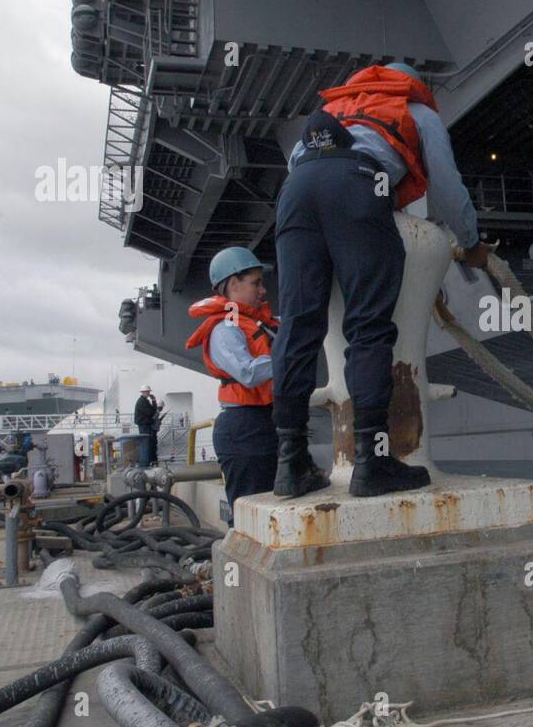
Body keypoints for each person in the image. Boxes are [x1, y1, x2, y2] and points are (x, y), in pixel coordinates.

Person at [270, 63, 492, 499]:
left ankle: (290, 464)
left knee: (297, 325)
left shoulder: (334, 112)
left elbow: (304, 171)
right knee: (368, 326)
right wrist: (470, 240)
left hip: (295, 192)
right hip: (359, 184)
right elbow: (446, 186)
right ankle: (372, 462)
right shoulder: (415, 110)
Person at [185, 246, 295, 520]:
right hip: (243, 430)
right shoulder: (226, 328)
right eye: (256, 283)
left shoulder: (259, 323)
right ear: (233, 284)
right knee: (250, 512)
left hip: (264, 423)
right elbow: (248, 373)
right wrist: (289, 353)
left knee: (272, 507)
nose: (262, 290)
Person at [133, 385, 163, 467]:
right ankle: (149, 462)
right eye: (147, 392)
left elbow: (152, 411)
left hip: (146, 425)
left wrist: (153, 401)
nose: (148, 393)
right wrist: (154, 404)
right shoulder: (142, 402)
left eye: (149, 392)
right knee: (148, 444)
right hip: (144, 425)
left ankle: (151, 461)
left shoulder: (144, 401)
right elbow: (151, 412)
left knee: (150, 443)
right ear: (143, 392)